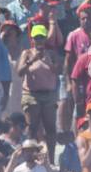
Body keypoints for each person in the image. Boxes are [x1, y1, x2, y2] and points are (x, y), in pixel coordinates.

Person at [16, 23, 59, 159]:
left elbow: (59, 70)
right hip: (31, 95)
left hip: (49, 95)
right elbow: (19, 72)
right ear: (32, 39)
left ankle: (51, 159)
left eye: (41, 37)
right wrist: (31, 61)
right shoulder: (27, 53)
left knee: (50, 129)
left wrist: (49, 63)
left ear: (45, 38)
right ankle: (30, 157)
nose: (39, 40)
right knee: (32, 128)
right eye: (36, 37)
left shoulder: (51, 54)